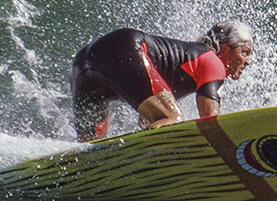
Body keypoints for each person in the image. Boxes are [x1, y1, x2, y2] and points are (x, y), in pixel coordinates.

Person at [69, 21, 254, 142]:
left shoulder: (177, 66)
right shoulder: (213, 61)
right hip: (125, 47)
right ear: (225, 49)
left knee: (92, 146)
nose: (247, 61)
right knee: (174, 119)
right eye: (244, 52)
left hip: (82, 65)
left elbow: (146, 118)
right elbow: (210, 122)